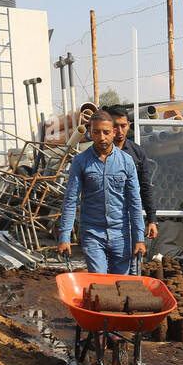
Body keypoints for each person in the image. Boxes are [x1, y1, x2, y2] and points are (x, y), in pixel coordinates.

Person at [57, 111, 146, 274]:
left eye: (106, 132)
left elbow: (135, 202)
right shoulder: (81, 161)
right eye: (96, 132)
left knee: (121, 284)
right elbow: (71, 200)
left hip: (121, 234)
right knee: (100, 280)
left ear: (114, 132)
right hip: (92, 233)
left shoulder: (126, 162)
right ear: (90, 132)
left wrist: (139, 238)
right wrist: (64, 237)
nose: (102, 137)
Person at [106, 105, 158, 244]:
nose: (120, 131)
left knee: (133, 262)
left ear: (129, 125)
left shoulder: (137, 153)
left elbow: (145, 187)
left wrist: (152, 220)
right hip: (102, 221)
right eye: (115, 126)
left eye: (123, 125)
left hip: (130, 218)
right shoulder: (97, 153)